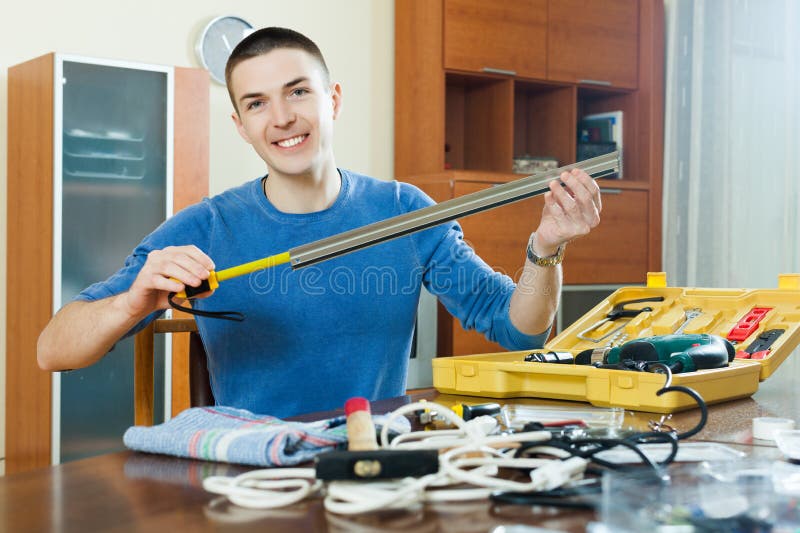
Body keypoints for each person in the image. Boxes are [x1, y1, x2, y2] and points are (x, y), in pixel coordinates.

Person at [37, 27, 602, 418]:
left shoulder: (405, 210)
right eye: (257, 103)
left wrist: (546, 246)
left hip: (372, 464)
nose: (281, 117)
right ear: (240, 124)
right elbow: (53, 350)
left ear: (332, 99)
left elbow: (519, 327)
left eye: (298, 92)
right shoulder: (203, 227)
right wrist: (132, 302)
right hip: (256, 475)